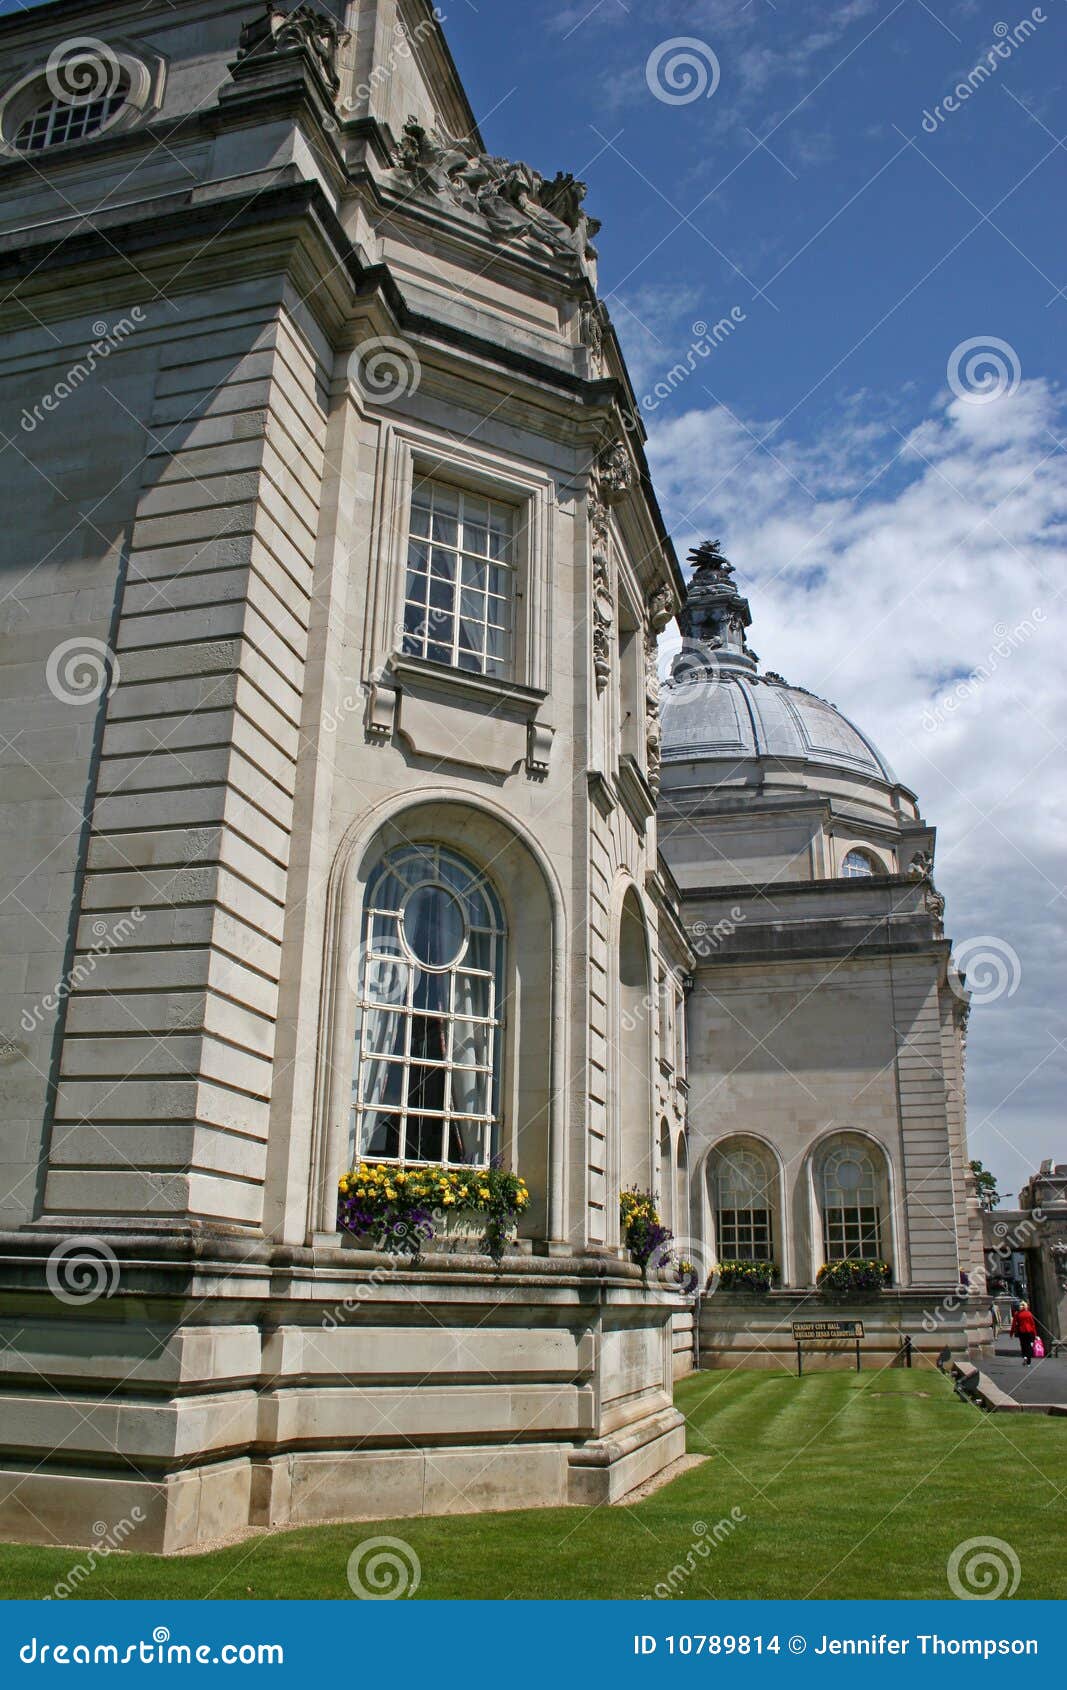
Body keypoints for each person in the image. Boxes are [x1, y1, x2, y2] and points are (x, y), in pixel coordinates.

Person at [1010, 1300, 1038, 1365]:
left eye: (1021, 1305)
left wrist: (1012, 1333)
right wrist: (1035, 1334)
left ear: (1024, 1306)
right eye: (1020, 1305)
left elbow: (1014, 1324)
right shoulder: (1029, 1313)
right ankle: (1028, 1357)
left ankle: (1025, 1357)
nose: (1020, 1306)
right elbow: (1032, 1324)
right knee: (1029, 1345)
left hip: (1021, 1331)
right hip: (1029, 1331)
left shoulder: (1017, 1314)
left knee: (1023, 1345)